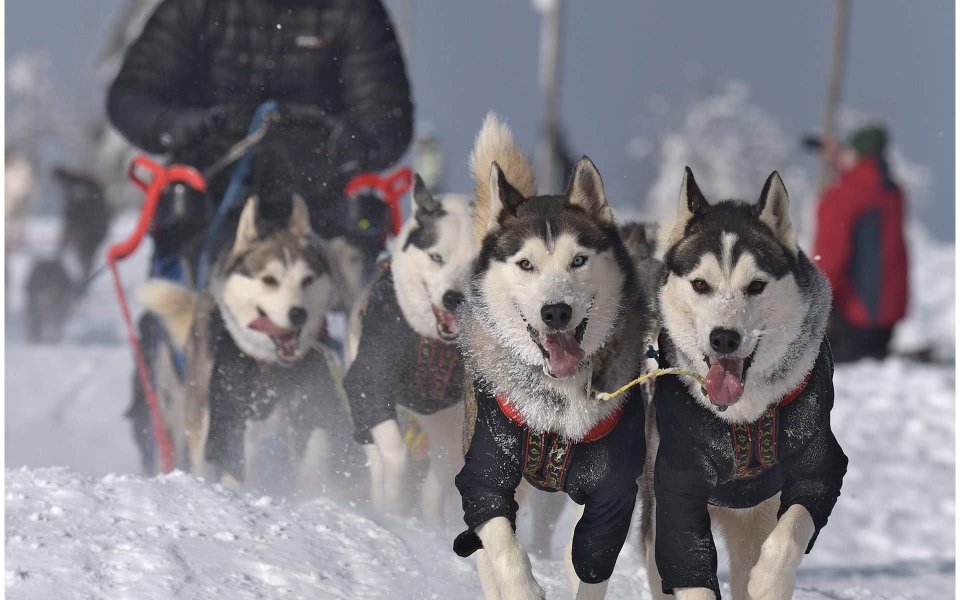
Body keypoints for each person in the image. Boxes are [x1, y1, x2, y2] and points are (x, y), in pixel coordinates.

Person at [106, 0, 413, 473]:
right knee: (190, 288)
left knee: (358, 292)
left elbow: (388, 116)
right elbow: (131, 97)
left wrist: (347, 138)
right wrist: (183, 125)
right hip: (212, 181)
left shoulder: (351, 11)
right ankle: (182, 429)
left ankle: (355, 431)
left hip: (318, 196)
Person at [813, 124, 908, 362]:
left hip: (854, 320)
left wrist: (815, 310)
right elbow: (864, 178)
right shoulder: (890, 190)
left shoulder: (843, 193)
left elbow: (831, 259)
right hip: (884, 323)